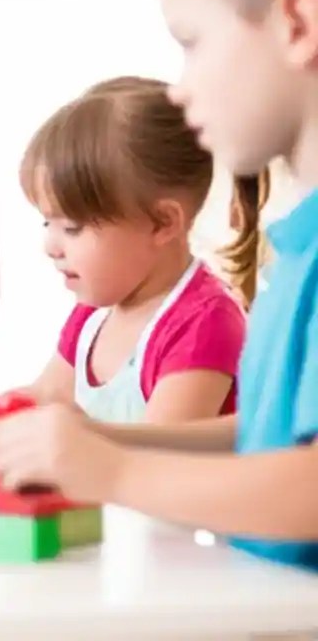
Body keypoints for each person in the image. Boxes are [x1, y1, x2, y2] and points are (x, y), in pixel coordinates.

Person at [0, 0, 318, 571]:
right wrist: (94, 438)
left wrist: (113, 469)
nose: (181, 87)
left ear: (296, 22)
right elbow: (264, 443)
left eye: (192, 42)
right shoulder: (299, 255)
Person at [18, 76, 261, 423]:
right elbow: (43, 398)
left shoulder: (206, 324)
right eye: (47, 223)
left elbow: (160, 459)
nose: (50, 247)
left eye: (72, 228)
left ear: (162, 223)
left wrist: (71, 436)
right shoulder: (93, 315)